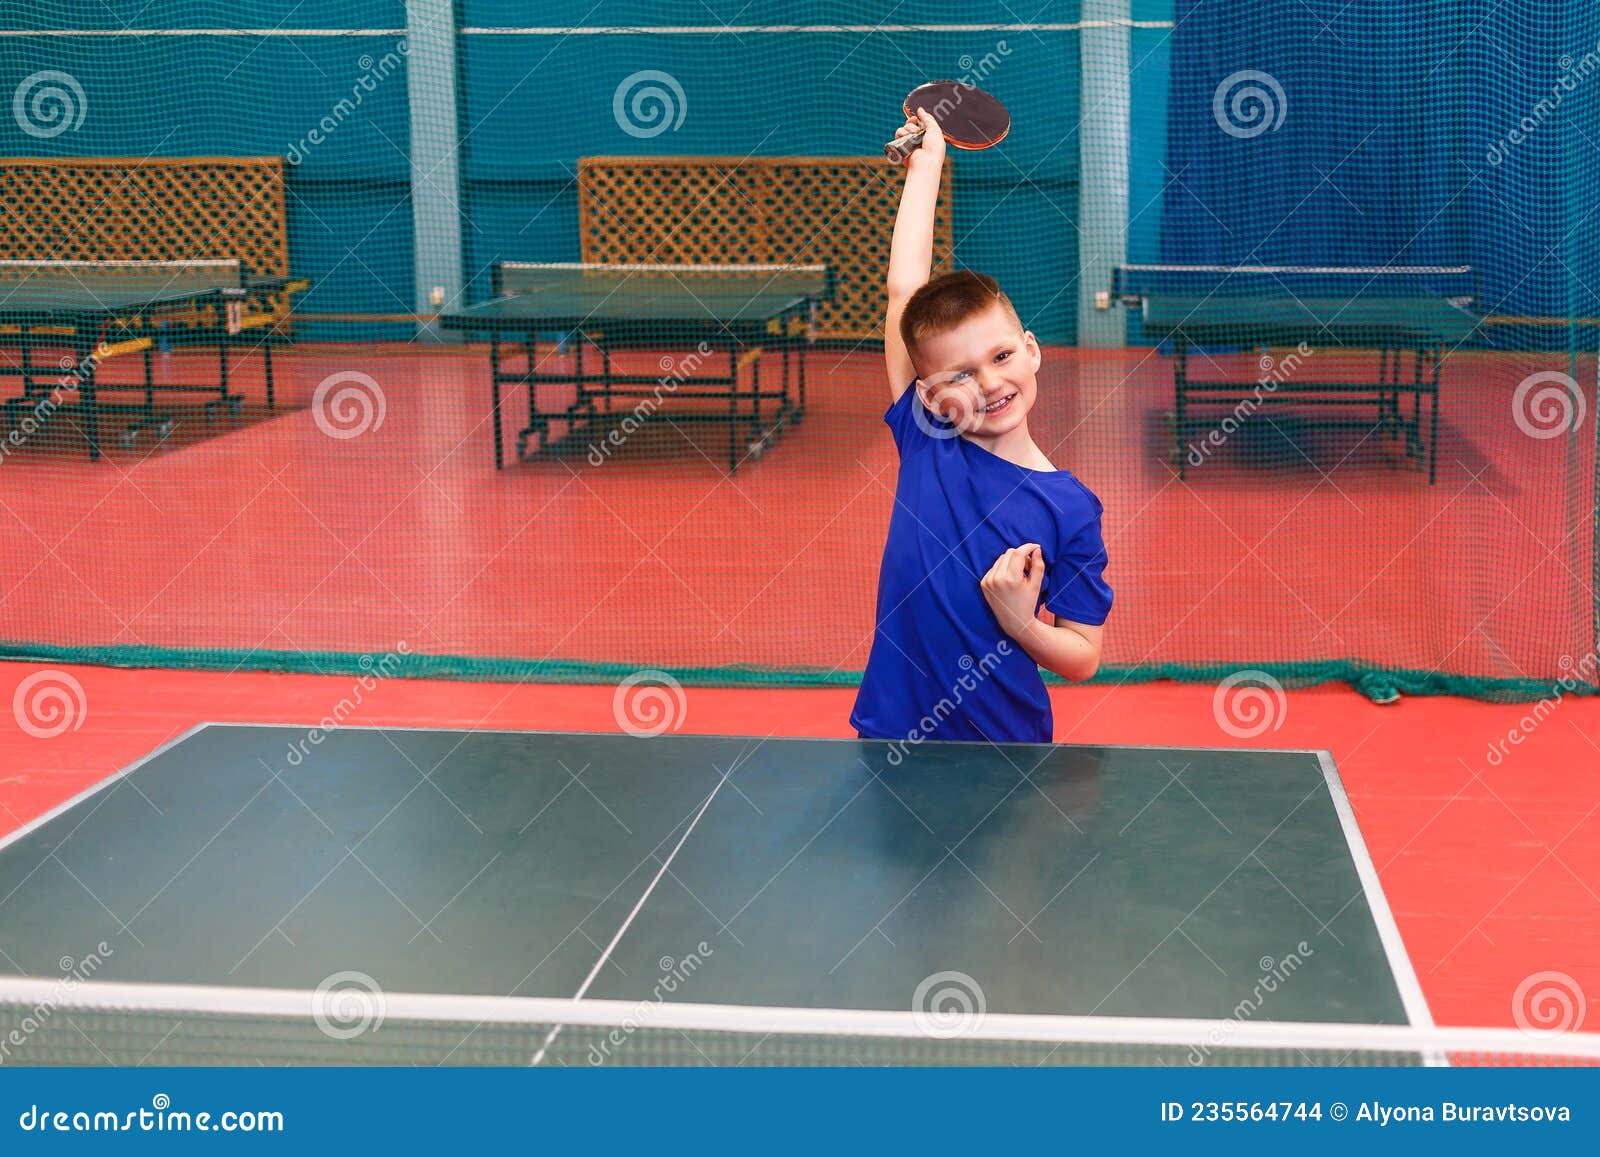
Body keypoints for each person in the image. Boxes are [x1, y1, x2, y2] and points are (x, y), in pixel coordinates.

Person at [850, 106, 1113, 746]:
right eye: (960, 375)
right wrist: (927, 167)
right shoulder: (928, 440)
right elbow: (903, 291)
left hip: (1007, 745)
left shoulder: (1070, 507)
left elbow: (1083, 656)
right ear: (930, 393)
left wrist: (1020, 622)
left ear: (1031, 350)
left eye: (1000, 357)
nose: (991, 384)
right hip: (892, 731)